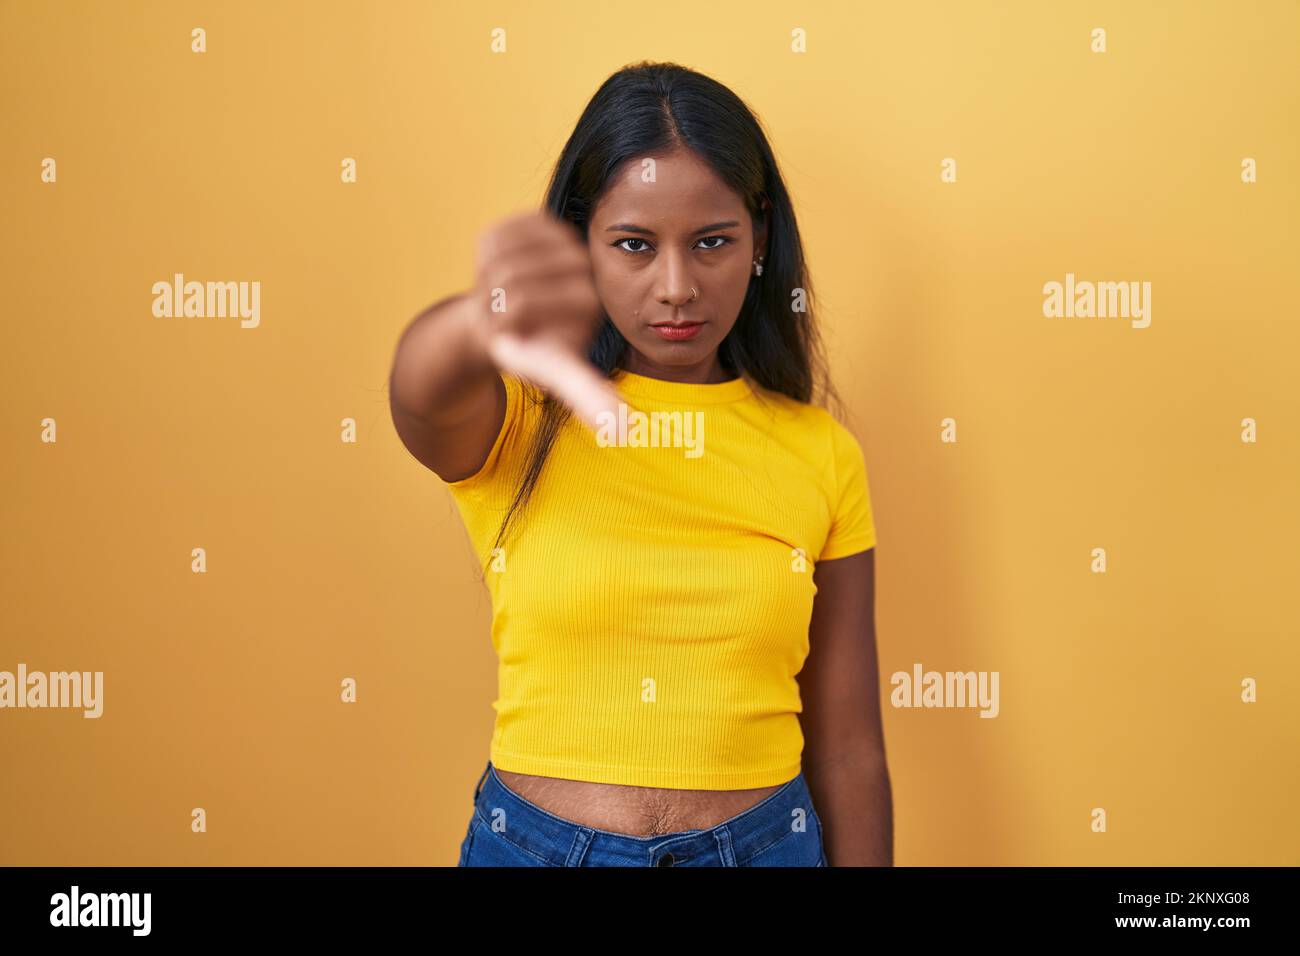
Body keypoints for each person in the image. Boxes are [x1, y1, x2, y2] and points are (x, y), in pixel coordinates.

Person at [389, 61, 892, 866]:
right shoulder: (519, 417)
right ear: (579, 245)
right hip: (534, 849)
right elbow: (417, 396)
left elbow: (848, 747)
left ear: (759, 240)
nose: (676, 287)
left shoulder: (820, 453)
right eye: (632, 244)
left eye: (712, 243)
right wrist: (483, 316)